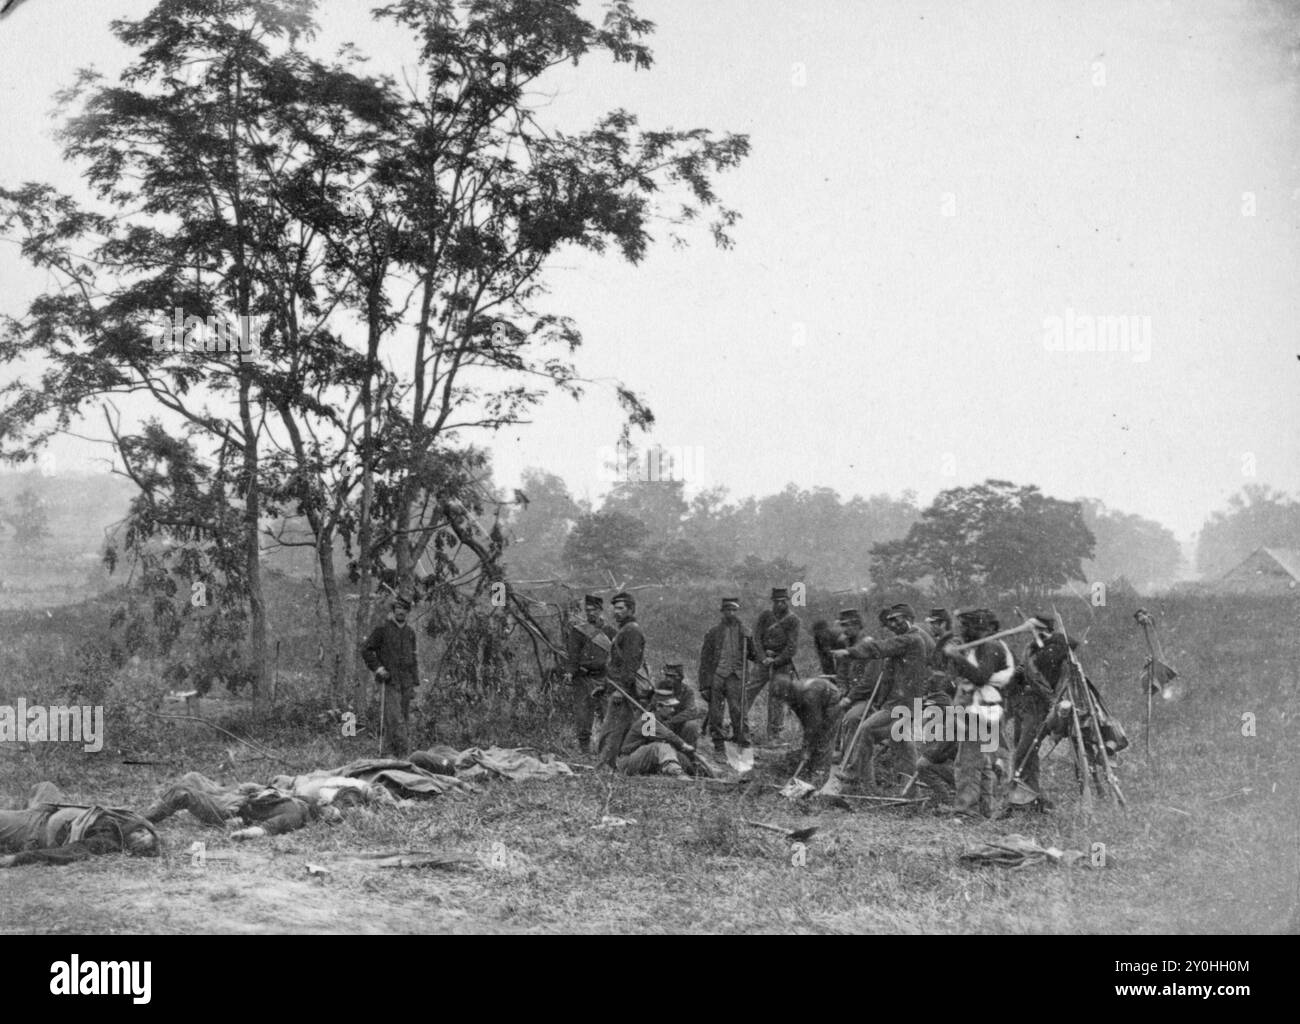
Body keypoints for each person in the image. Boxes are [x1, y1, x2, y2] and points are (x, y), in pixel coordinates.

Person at [833, 603, 935, 793]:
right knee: (902, 744)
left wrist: (849, 652)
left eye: (897, 620)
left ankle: (854, 773)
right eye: (890, 622)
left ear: (909, 619)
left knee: (866, 729)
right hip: (899, 703)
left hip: (903, 704)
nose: (893, 625)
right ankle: (911, 794)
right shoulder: (903, 641)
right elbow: (887, 677)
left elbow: (880, 648)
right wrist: (880, 702)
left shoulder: (912, 640)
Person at [941, 608, 1015, 819]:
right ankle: (984, 809)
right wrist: (958, 656)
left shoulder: (991, 646)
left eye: (963, 626)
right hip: (981, 708)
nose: (959, 630)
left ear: (975, 627)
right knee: (981, 763)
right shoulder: (981, 647)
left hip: (984, 709)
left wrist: (957, 657)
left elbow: (980, 677)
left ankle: (966, 811)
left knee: (968, 761)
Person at [699, 597, 760, 756]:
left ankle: (743, 744)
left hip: (736, 677)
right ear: (723, 612)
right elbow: (705, 660)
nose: (731, 613)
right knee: (716, 713)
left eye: (733, 610)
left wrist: (752, 641)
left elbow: (754, 655)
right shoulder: (713, 633)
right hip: (717, 676)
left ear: (737, 611)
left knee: (738, 712)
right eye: (728, 610)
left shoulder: (745, 632)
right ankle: (719, 746)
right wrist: (704, 685)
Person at [361, 594, 420, 757]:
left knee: (402, 719)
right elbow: (366, 650)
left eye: (405, 609)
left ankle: (388, 754)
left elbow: (413, 658)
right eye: (398, 608)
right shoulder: (382, 630)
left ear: (408, 612)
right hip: (389, 681)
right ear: (393, 610)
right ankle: (404, 756)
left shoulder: (410, 633)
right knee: (395, 719)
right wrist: (379, 669)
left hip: (406, 683)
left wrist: (415, 683)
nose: (401, 612)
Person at [595, 591, 645, 769]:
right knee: (618, 728)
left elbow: (631, 663)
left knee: (611, 730)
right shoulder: (625, 630)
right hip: (616, 687)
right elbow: (615, 664)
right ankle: (616, 764)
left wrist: (620, 689)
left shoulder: (632, 631)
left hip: (623, 691)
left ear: (631, 610)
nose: (616, 612)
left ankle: (605, 766)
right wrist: (604, 686)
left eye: (621, 608)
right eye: (614, 608)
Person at [563, 594, 617, 754]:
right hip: (583, 679)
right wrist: (569, 672)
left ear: (601, 610)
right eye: (588, 610)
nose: (590, 613)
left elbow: (617, 657)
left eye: (594, 610)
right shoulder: (579, 631)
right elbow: (573, 654)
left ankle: (606, 750)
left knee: (607, 715)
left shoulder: (610, 631)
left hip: (604, 679)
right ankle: (584, 750)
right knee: (583, 715)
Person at [747, 587, 801, 742]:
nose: (779, 604)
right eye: (776, 601)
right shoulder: (765, 615)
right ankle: (739, 726)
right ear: (773, 602)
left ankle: (774, 735)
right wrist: (763, 657)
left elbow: (792, 647)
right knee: (749, 691)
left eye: (782, 601)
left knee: (777, 698)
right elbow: (756, 638)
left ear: (787, 602)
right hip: (762, 660)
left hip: (782, 663)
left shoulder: (793, 620)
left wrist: (776, 660)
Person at [617, 684, 699, 777]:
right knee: (661, 747)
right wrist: (683, 744)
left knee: (680, 757)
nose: (673, 710)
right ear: (658, 707)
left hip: (644, 761)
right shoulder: (647, 719)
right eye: (669, 707)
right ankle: (677, 774)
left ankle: (695, 774)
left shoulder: (660, 720)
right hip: (628, 762)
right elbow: (667, 734)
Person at [774, 673, 844, 773]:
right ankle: (810, 764)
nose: (782, 702)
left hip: (832, 700)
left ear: (787, 692)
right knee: (812, 737)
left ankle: (820, 771)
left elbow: (814, 725)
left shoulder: (809, 696)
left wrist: (807, 748)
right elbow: (805, 721)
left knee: (825, 735)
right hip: (817, 699)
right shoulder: (793, 696)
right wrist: (806, 745)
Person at [658, 663, 705, 747]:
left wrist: (671, 721)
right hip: (662, 724)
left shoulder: (687, 692)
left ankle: (687, 754)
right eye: (667, 676)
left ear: (679, 678)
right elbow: (654, 705)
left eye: (672, 677)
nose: (668, 679)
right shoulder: (661, 686)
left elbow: (690, 711)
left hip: (679, 726)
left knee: (692, 726)